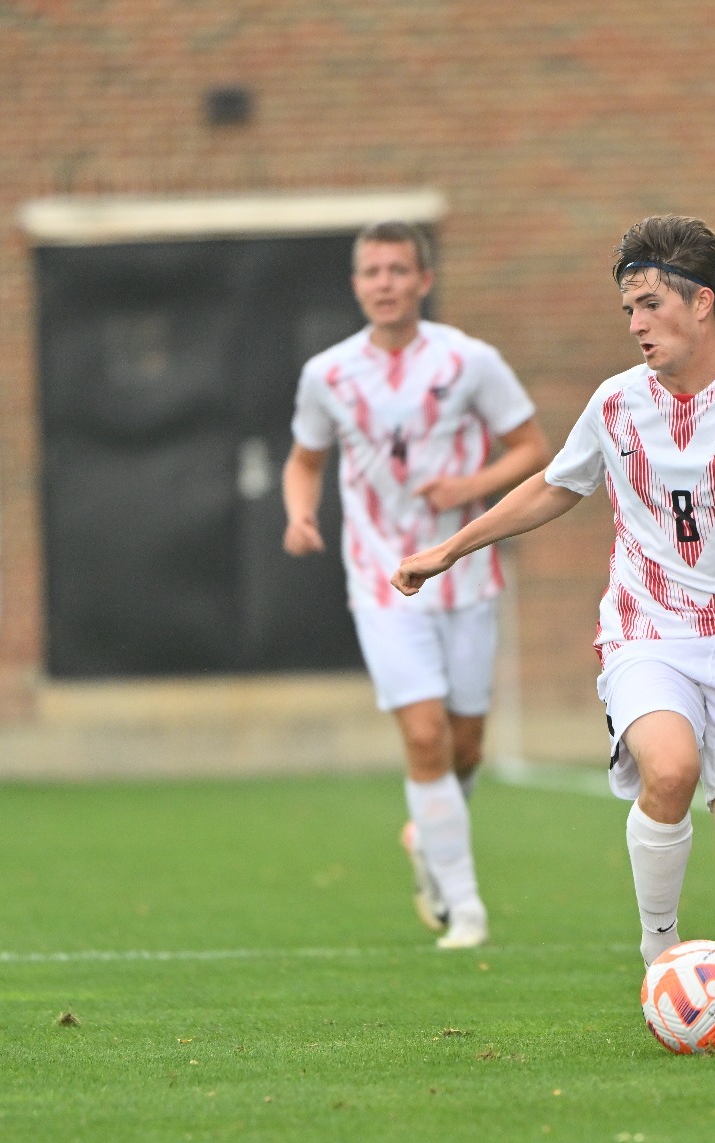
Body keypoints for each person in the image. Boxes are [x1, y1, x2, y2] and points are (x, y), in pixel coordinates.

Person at [392, 215, 715, 1050]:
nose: (634, 323)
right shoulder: (615, 403)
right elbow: (553, 486)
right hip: (647, 632)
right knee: (669, 768)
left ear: (701, 303)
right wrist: (451, 548)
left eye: (647, 304)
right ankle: (662, 949)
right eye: (627, 309)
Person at [284, 221, 550, 949]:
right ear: (356, 285)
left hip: (466, 574)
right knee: (426, 736)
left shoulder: (470, 360)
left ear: (423, 281)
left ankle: (428, 840)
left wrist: (469, 484)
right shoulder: (328, 374)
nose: (385, 282)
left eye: (399, 269)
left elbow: (532, 449)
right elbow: (305, 459)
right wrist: (300, 514)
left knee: (466, 746)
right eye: (372, 271)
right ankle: (464, 907)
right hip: (380, 580)